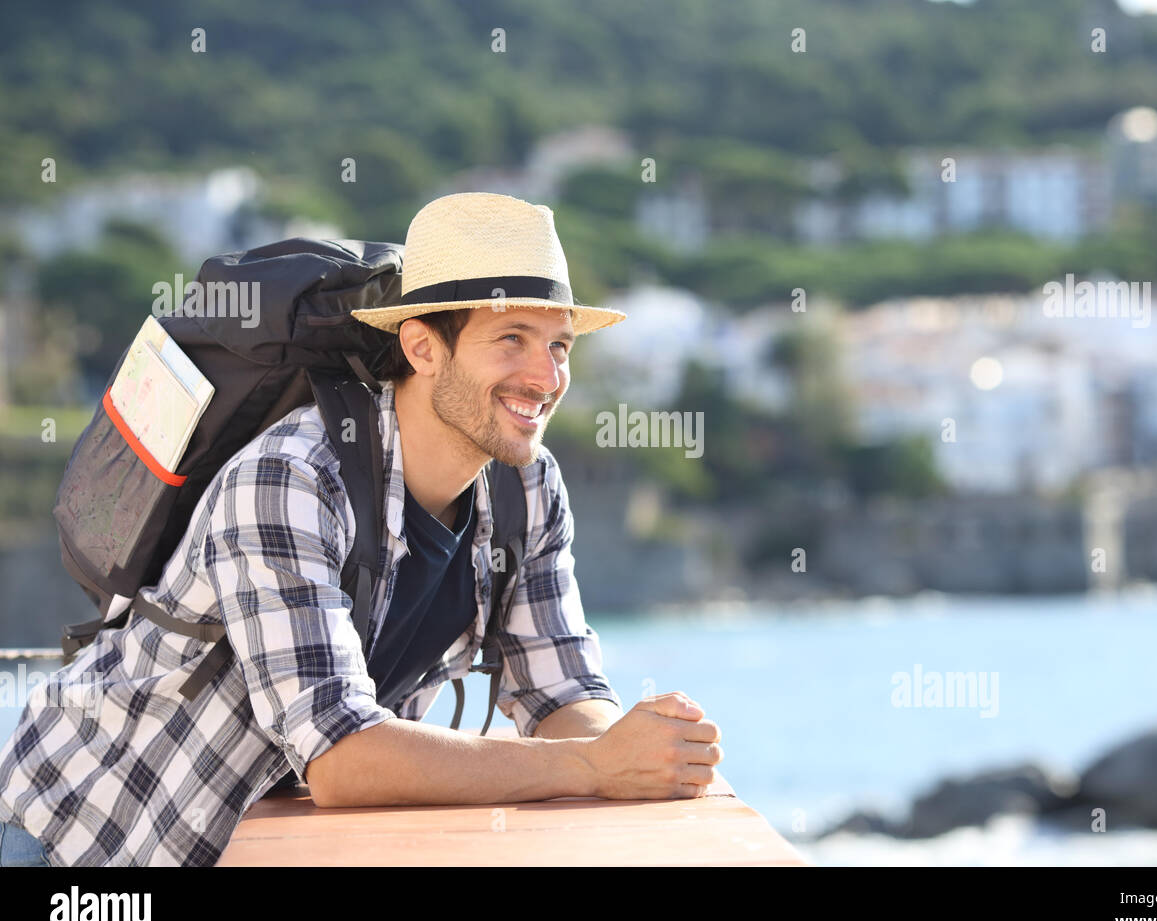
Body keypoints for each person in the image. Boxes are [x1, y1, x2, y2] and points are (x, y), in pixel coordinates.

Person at [0, 192, 722, 866]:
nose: (546, 375)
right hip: (77, 837)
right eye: (512, 339)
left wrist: (642, 748)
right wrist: (593, 767)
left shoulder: (525, 486)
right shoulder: (294, 477)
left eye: (560, 345)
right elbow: (341, 757)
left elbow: (561, 692)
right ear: (422, 348)